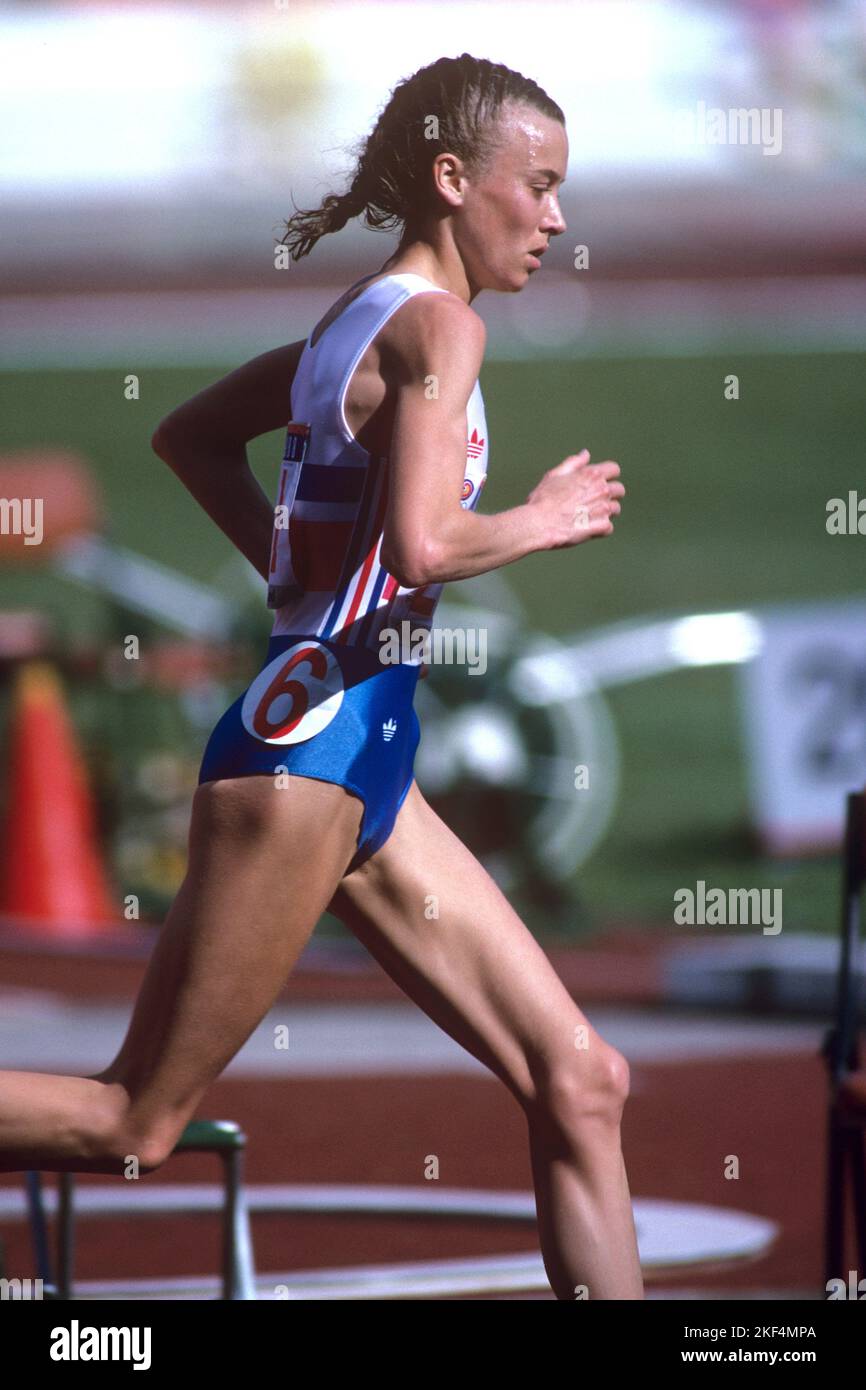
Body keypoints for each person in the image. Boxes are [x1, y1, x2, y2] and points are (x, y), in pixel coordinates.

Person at [0, 54, 640, 1300]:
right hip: (305, 765)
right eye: (541, 187)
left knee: (580, 1076)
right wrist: (545, 515)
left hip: (364, 756)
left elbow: (186, 437)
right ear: (456, 182)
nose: (556, 219)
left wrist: (295, 591)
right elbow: (423, 545)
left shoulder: (357, 319)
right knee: (133, 1121)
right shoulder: (436, 327)